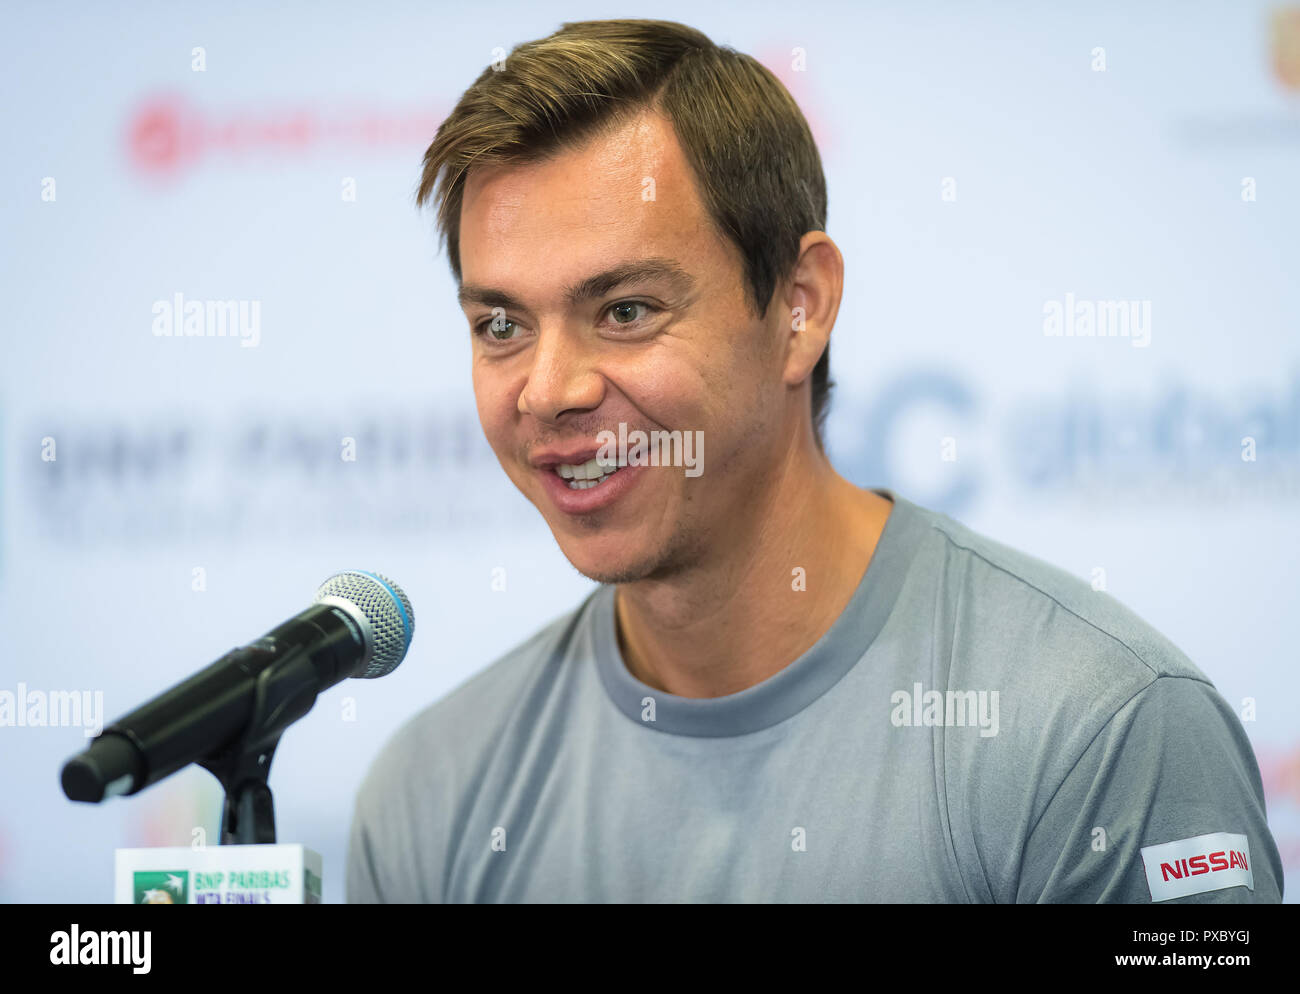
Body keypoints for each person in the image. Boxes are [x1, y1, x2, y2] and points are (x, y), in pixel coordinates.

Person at [347, 18, 1283, 902]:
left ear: (800, 308)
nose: (548, 390)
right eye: (501, 325)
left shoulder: (1105, 730)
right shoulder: (433, 795)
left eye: (626, 310)